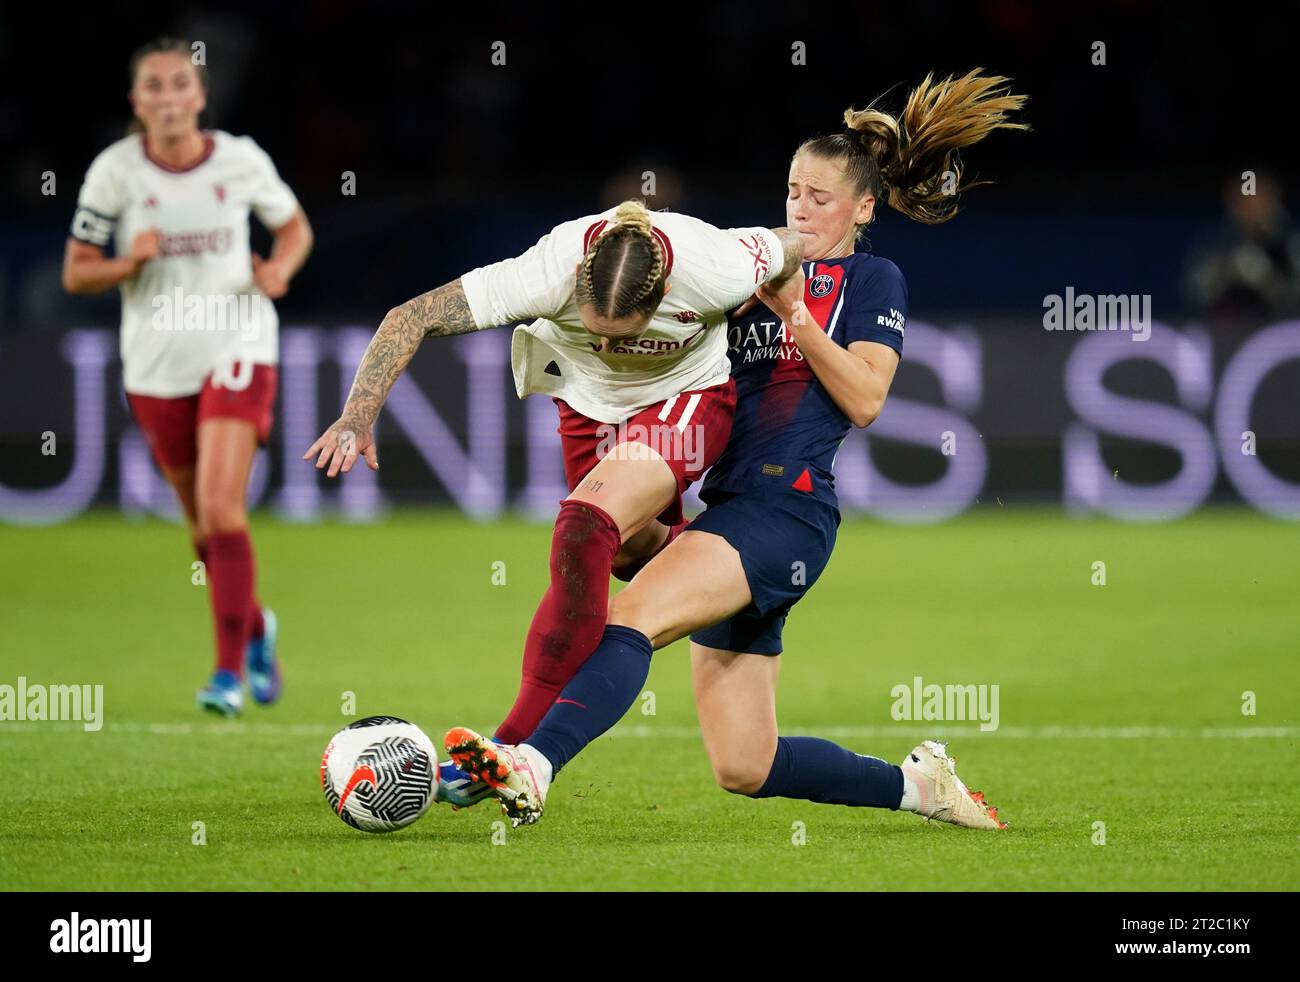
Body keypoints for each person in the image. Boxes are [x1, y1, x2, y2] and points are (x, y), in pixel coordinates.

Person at [444, 70, 1027, 831]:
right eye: (793, 190)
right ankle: (921, 788)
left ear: (863, 208)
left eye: (820, 196)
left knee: (631, 619)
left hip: (787, 510)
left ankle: (533, 762)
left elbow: (867, 399)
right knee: (745, 764)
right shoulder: (746, 271)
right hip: (728, 516)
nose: (800, 207)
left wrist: (799, 321)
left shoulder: (871, 278)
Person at [305, 200, 803, 799]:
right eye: (593, 329)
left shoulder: (714, 261)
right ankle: (733, 563)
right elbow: (410, 317)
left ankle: (508, 748)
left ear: (666, 293)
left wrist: (782, 298)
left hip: (686, 398)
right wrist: (357, 416)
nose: (607, 342)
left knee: (582, 528)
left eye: (626, 335)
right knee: (625, 557)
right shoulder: (548, 268)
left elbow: (789, 243)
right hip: (587, 405)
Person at [63, 37, 313, 716]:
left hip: (237, 341)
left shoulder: (239, 159)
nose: (168, 98)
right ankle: (257, 625)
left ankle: (227, 673)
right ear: (137, 101)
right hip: (155, 360)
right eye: (154, 86)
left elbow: (294, 229)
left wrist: (279, 269)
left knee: (224, 507)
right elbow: (77, 269)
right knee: (203, 526)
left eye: (180, 84)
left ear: (199, 96)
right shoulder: (115, 172)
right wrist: (126, 264)